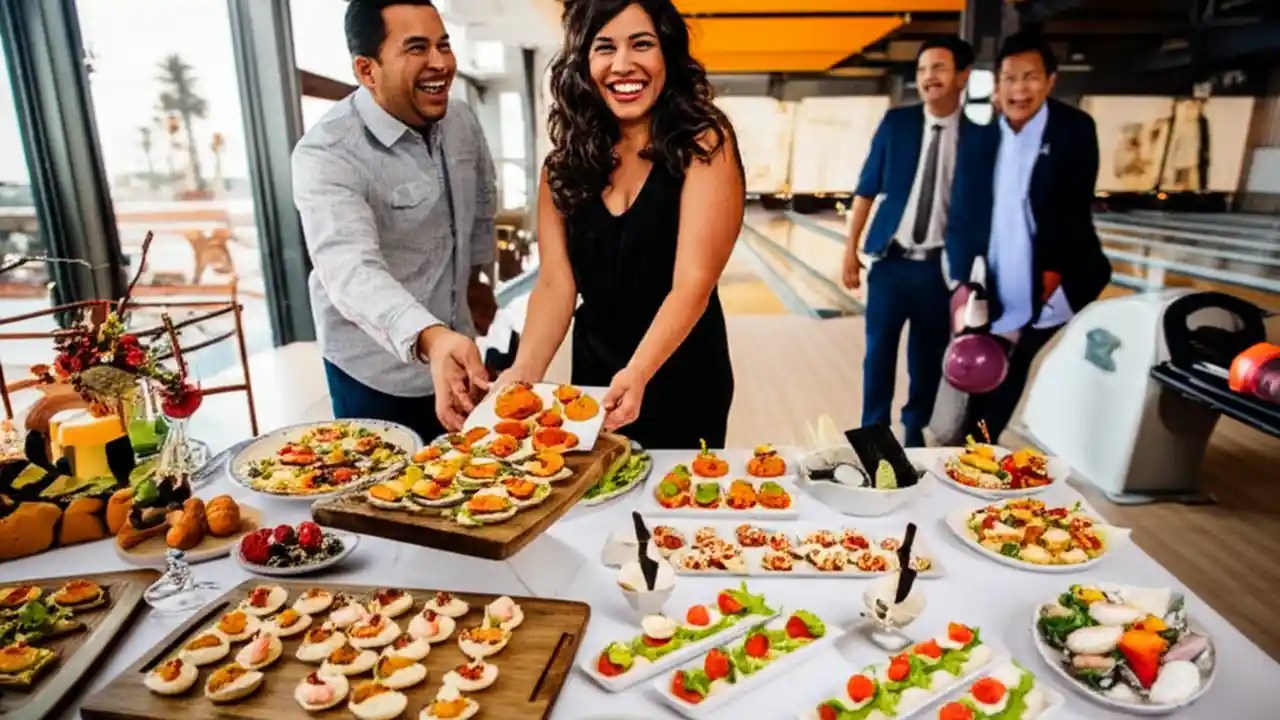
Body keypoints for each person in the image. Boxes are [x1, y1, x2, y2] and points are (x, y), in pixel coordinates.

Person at [496, 0, 744, 448]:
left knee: (675, 509)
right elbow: (555, 283)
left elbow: (692, 284)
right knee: (595, 504)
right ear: (584, 62)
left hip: (682, 371)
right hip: (594, 377)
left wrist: (637, 371)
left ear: (666, 53)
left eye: (642, 44)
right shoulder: (564, 165)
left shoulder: (704, 145)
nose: (623, 64)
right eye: (604, 47)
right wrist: (523, 372)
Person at [293, 0, 499, 440]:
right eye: (416, 49)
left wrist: (478, 279)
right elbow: (349, 270)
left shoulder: (461, 120)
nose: (440, 63)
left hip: (458, 352)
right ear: (367, 70)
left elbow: (482, 200)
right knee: (387, 499)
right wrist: (432, 338)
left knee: (469, 489)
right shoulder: (327, 153)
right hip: (372, 373)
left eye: (443, 45)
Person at [953, 30, 1111, 442]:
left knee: (1012, 360)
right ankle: (970, 441)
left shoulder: (1073, 129)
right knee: (985, 355)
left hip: (1056, 273)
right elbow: (969, 209)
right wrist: (963, 278)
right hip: (996, 271)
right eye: (1010, 78)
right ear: (998, 84)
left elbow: (1072, 206)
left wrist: (1053, 271)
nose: (1019, 89)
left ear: (1050, 80)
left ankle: (980, 445)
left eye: (1030, 77)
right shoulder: (985, 135)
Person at [841, 36, 981, 447]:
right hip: (891, 262)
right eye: (922, 70)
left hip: (939, 269)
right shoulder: (896, 124)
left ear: (963, 75)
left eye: (938, 68)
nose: (928, 77)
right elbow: (866, 189)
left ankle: (913, 427)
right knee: (878, 354)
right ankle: (873, 430)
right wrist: (850, 250)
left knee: (926, 359)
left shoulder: (979, 138)